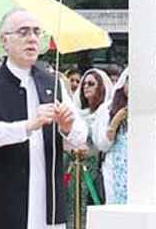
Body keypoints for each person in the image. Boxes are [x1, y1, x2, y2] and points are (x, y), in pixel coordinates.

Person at [0, 9, 86, 229]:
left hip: (47, 203)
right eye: (23, 32)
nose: (32, 38)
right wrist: (28, 126)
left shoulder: (53, 83)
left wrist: (67, 127)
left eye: (36, 32)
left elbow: (79, 138)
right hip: (1, 204)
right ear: (4, 41)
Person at [70, 68, 110, 217]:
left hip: (94, 171)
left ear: (101, 87)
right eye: (84, 84)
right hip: (73, 169)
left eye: (91, 84)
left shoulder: (106, 113)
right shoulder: (77, 113)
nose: (86, 87)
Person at [94, 70, 130, 204]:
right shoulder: (107, 108)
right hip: (115, 170)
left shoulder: (151, 111)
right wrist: (115, 121)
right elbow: (102, 145)